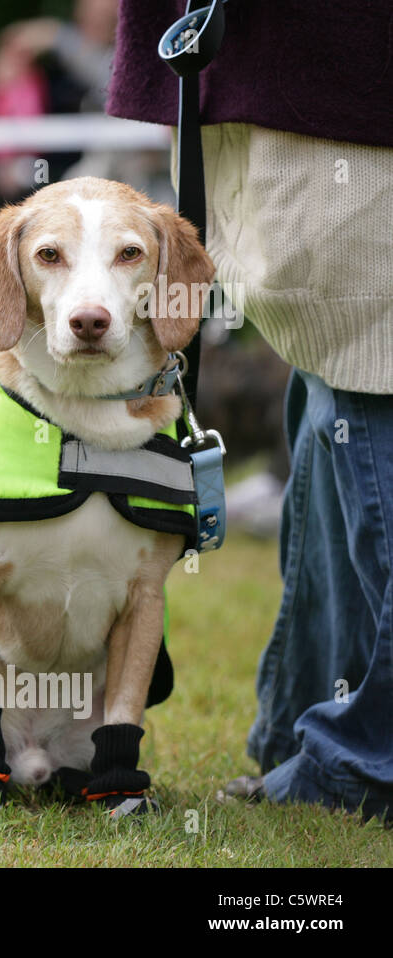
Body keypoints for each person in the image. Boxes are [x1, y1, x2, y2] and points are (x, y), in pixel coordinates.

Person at [108, 1, 393, 822]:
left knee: (369, 356)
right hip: (277, 78)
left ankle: (364, 761)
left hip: (338, 84)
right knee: (334, 362)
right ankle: (314, 736)